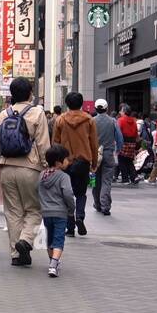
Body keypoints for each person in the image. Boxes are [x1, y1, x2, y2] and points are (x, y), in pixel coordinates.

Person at [0, 77, 51, 266]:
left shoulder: (4, 114)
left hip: (6, 168)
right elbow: (43, 145)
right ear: (30, 93)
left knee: (12, 212)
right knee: (34, 209)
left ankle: (16, 254)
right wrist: (47, 167)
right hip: (30, 168)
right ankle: (26, 240)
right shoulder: (37, 113)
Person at [51, 91, 99, 238]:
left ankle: (70, 226)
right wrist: (94, 162)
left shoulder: (60, 120)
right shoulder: (89, 120)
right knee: (81, 193)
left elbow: (55, 143)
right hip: (83, 161)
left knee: (66, 195)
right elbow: (94, 143)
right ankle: (80, 216)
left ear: (67, 103)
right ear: (81, 103)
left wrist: (55, 163)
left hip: (65, 162)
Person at [39, 145, 76, 278]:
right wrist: (71, 209)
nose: (68, 161)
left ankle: (52, 261)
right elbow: (68, 194)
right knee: (59, 238)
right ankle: (53, 265)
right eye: (66, 159)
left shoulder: (42, 175)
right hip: (60, 212)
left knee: (50, 237)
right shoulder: (63, 177)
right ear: (59, 162)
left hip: (46, 212)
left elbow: (39, 192)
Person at [92, 99, 122, 216]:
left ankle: (97, 204)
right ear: (106, 108)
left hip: (95, 155)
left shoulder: (92, 121)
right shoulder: (113, 121)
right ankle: (105, 206)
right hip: (108, 153)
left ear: (95, 108)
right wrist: (118, 149)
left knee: (95, 181)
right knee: (106, 181)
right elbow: (119, 138)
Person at [117, 104, 140, 185]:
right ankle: (134, 177)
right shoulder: (133, 121)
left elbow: (118, 132)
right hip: (132, 143)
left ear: (124, 111)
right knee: (129, 160)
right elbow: (136, 133)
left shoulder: (120, 120)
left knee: (121, 160)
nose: (120, 112)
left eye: (121, 110)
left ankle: (125, 178)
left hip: (123, 142)